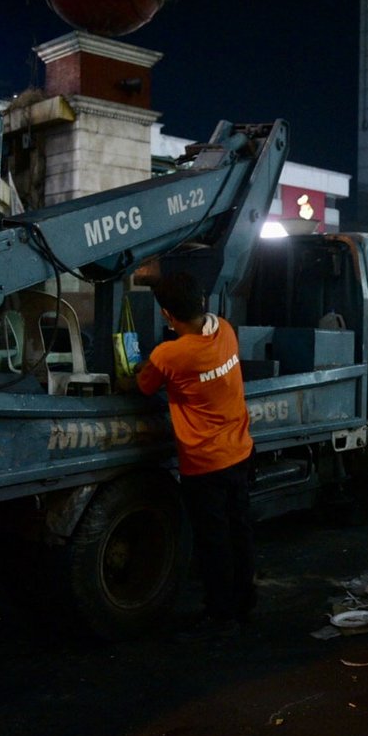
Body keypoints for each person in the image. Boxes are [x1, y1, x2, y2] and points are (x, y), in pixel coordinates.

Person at [136, 272, 255, 641]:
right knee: (239, 533)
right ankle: (245, 603)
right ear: (202, 303)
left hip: (205, 465)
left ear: (167, 316)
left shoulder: (170, 354)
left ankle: (221, 617)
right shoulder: (227, 332)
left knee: (214, 543)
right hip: (240, 452)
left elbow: (142, 385)